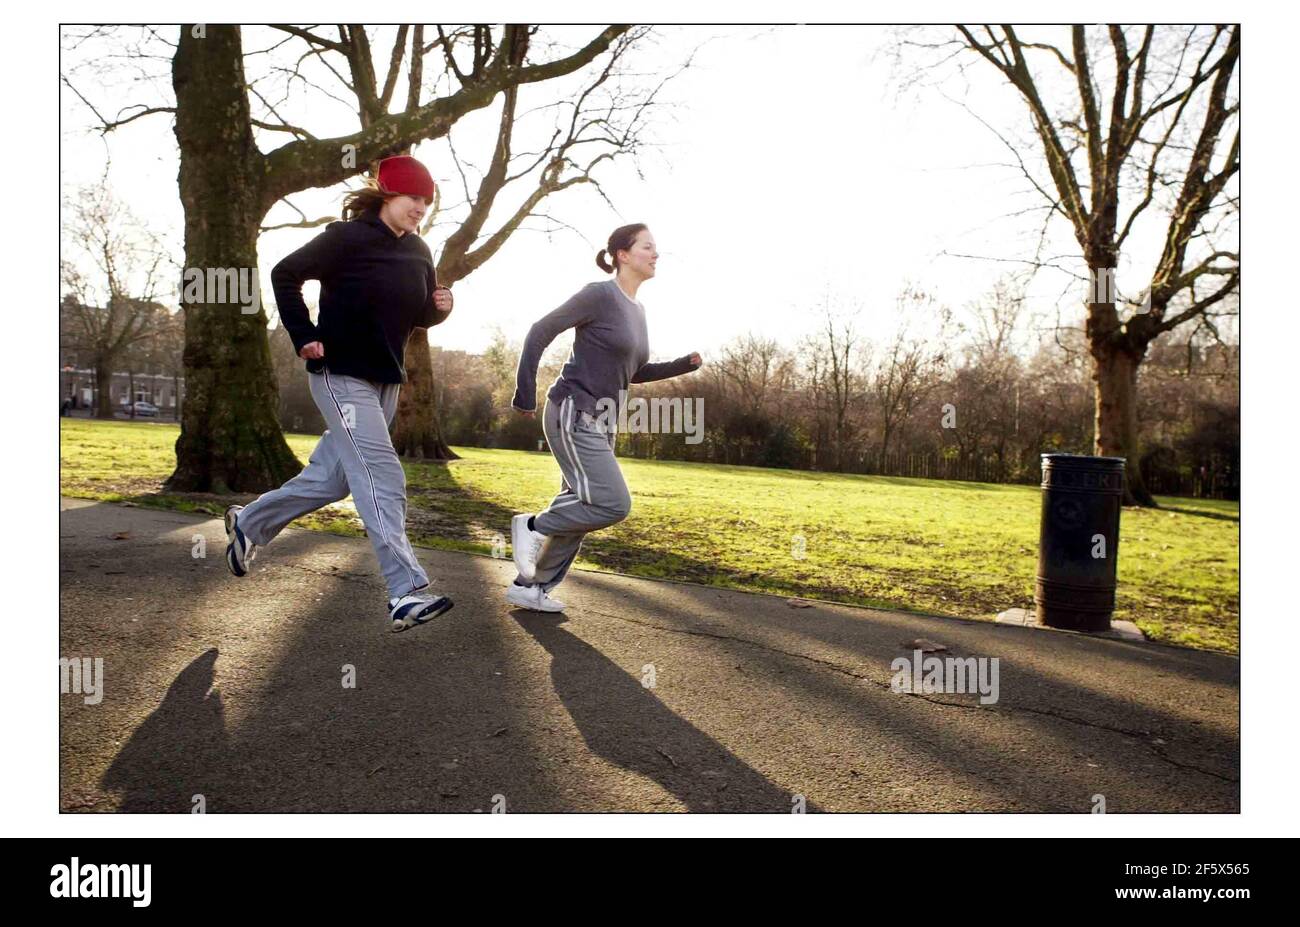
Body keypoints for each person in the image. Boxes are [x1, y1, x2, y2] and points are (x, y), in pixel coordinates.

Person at [224, 155, 457, 632]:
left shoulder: (420, 251)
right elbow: (285, 274)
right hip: (340, 372)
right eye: (414, 197)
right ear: (388, 194)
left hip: (385, 379)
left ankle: (250, 523)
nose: (421, 208)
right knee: (381, 472)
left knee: (333, 482)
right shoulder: (345, 238)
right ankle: (405, 591)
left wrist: (440, 309)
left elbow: (416, 314)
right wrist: (302, 332)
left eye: (427, 201)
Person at [508, 223, 702, 612]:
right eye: (648, 246)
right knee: (611, 503)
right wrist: (524, 393)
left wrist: (683, 365)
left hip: (602, 421)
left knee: (581, 505)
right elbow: (539, 331)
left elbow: (633, 371)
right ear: (623, 255)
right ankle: (532, 526)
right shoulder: (599, 295)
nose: (656, 254)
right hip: (573, 410)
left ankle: (531, 588)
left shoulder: (638, 311)